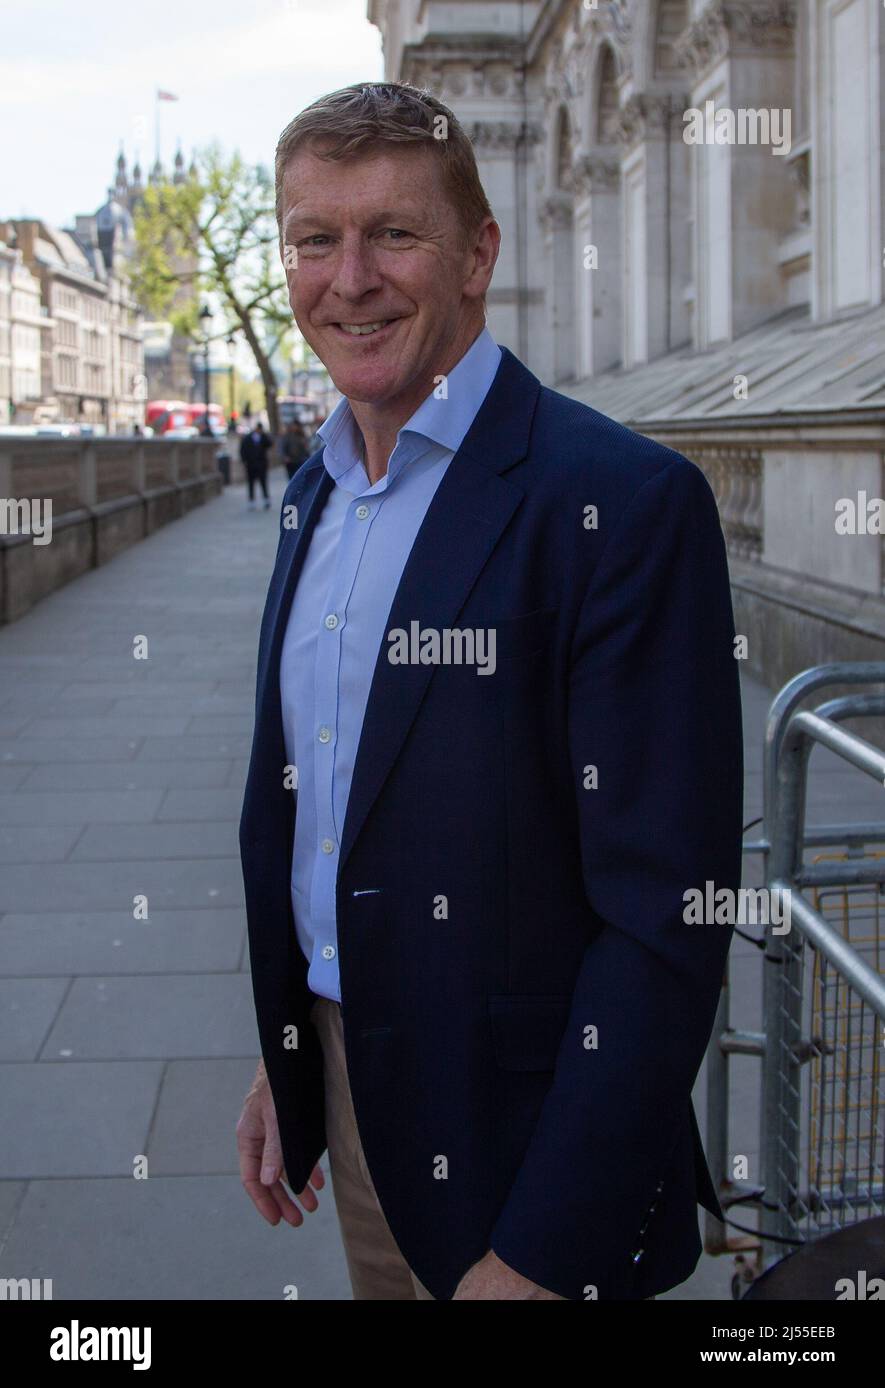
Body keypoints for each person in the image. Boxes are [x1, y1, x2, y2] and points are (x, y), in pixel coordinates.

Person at [236, 82, 743, 1301]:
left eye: (394, 235)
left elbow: (665, 920)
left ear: (479, 255)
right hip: (360, 1110)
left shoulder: (622, 504)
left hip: (532, 1160)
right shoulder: (313, 494)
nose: (348, 278)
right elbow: (330, 808)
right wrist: (299, 1052)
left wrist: (542, 1252)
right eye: (315, 239)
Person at [239, 419, 273, 510]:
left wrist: (265, 435)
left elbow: (270, 444)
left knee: (263, 483)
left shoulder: (263, 437)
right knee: (251, 484)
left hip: (261, 464)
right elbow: (243, 450)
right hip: (251, 464)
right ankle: (251, 501)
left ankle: (266, 500)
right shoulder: (247, 438)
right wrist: (244, 461)